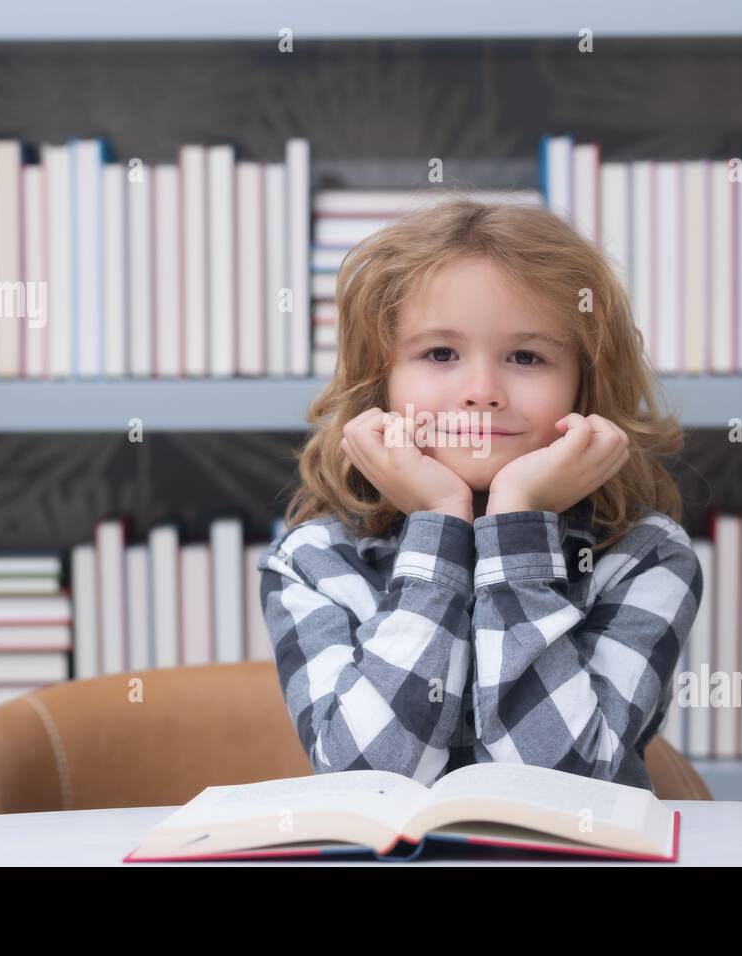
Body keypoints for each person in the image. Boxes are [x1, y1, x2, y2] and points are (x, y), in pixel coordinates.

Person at [258, 197, 703, 791]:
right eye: (440, 353)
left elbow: (562, 790)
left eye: (526, 356)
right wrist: (440, 522)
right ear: (380, 384)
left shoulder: (645, 555)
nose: (482, 391)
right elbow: (366, 780)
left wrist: (518, 524)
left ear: (583, 386)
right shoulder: (313, 561)